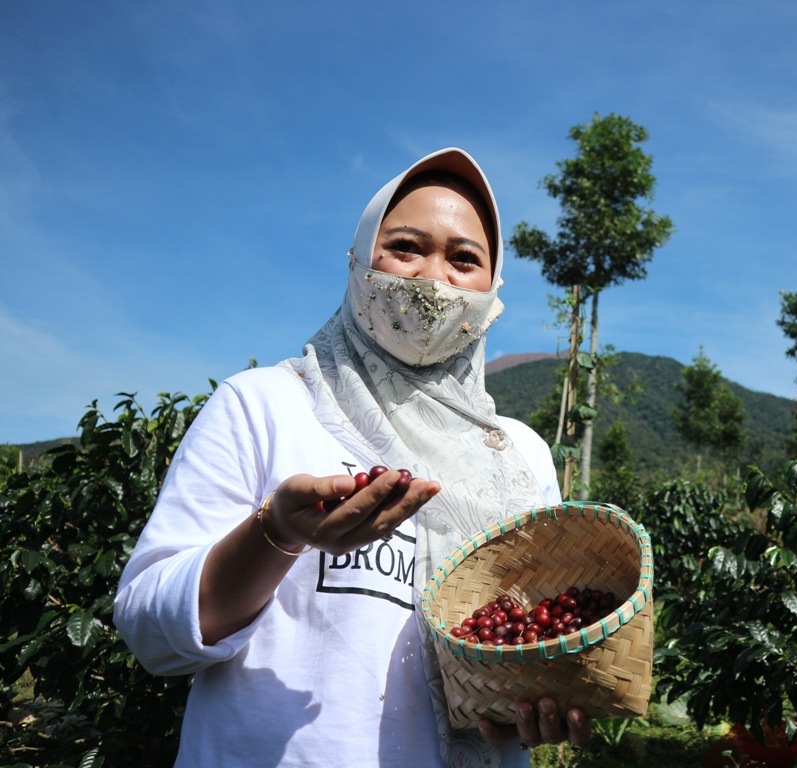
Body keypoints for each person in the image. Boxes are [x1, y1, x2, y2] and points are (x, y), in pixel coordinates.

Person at [113, 148, 591, 767]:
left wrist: (527, 705)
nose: (431, 278)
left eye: (464, 259)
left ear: (493, 288)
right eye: (405, 247)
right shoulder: (266, 405)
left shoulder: (519, 454)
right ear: (360, 260)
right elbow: (154, 637)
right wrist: (275, 535)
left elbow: (533, 643)